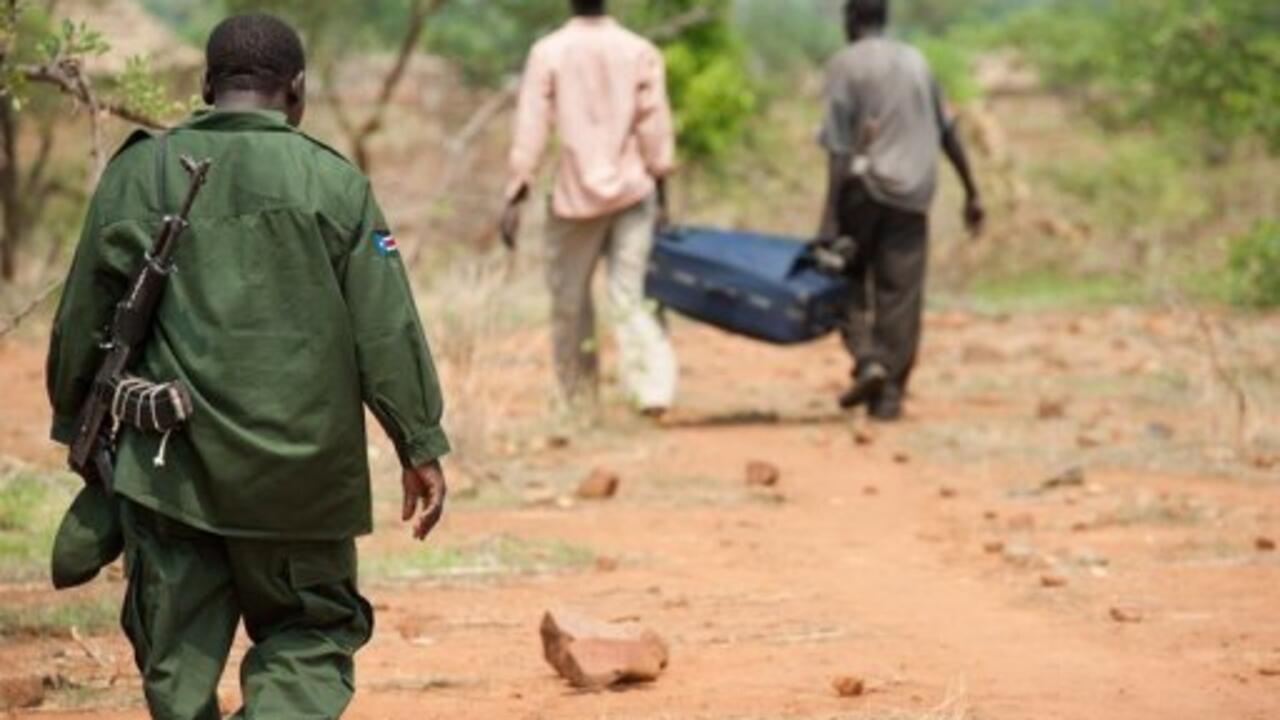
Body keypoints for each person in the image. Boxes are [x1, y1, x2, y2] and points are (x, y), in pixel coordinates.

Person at [45, 14, 450, 719]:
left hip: (172, 472)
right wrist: (418, 442)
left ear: (206, 85)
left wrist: (73, 419)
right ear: (296, 91)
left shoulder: (138, 174)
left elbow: (82, 319)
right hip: (305, 477)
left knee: (175, 661)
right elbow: (386, 331)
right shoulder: (336, 183)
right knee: (309, 638)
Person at [500, 0, 678, 416]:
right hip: (634, 189)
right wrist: (661, 183)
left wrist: (517, 189)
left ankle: (578, 395)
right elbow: (655, 125)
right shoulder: (639, 50)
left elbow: (532, 125)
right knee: (629, 295)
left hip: (574, 196)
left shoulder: (549, 52)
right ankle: (652, 390)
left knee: (569, 300)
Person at [817, 0, 984, 421]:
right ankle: (889, 394)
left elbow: (838, 148)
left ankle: (868, 358)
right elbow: (948, 133)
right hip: (913, 193)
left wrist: (829, 218)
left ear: (850, 20)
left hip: (864, 189)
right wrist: (971, 191)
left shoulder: (845, 64)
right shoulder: (917, 62)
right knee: (901, 294)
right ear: (884, 19)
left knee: (846, 281)